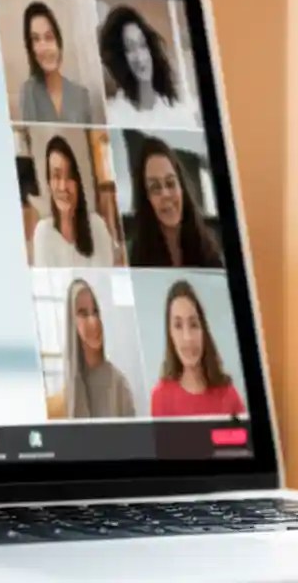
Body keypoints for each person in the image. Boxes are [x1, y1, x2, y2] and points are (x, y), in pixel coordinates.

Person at [150, 280, 246, 417]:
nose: (188, 337)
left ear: (203, 330)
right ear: (170, 334)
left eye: (194, 325)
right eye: (178, 326)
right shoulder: (161, 397)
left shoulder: (228, 394)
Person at [98, 5, 201, 129]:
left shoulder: (178, 114)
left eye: (142, 45)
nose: (140, 57)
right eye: (129, 48)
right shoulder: (113, 115)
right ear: (120, 58)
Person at [127, 136, 223, 268]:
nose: (165, 194)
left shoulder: (208, 247)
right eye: (155, 187)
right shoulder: (136, 256)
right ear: (146, 198)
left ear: (181, 187)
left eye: (170, 183)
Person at [32, 135, 117, 268]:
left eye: (70, 176)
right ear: (49, 183)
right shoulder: (43, 232)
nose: (63, 186)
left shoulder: (97, 226)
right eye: (56, 176)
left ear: (77, 183)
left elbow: (106, 280)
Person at [64, 279, 136, 418]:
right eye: (83, 313)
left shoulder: (119, 384)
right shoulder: (67, 392)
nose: (93, 321)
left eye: (95, 312)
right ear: (72, 323)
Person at [17, 1, 97, 124]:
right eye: (36, 39)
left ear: (58, 42)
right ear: (30, 48)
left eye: (49, 37)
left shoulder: (81, 95)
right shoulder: (28, 92)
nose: (44, 48)